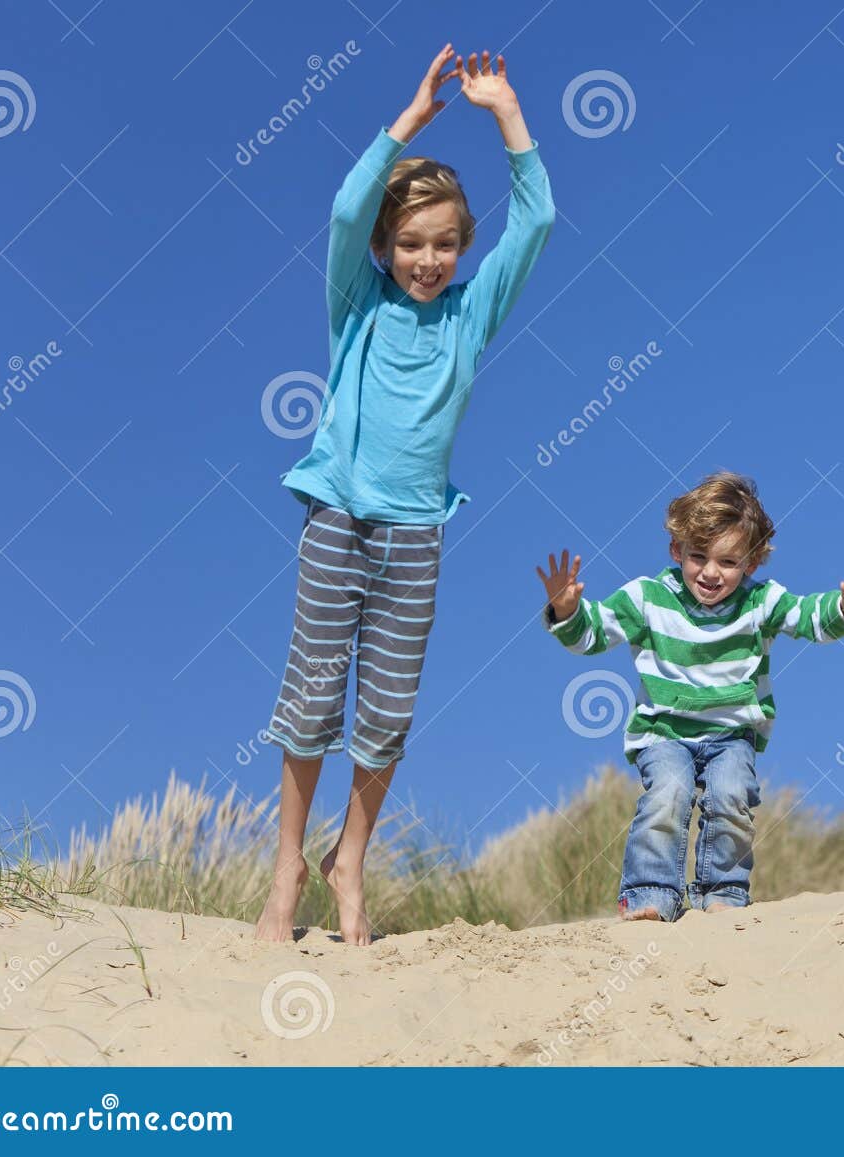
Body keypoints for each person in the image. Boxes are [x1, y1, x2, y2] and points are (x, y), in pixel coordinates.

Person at [255, 45, 554, 943]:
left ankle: (349, 861)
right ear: (386, 249)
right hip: (338, 513)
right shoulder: (359, 302)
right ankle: (287, 868)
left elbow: (536, 222)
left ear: (464, 247)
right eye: (412, 244)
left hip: (417, 532)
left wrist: (506, 117)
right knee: (312, 699)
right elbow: (348, 207)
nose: (429, 259)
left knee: (385, 714)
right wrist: (412, 122)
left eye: (446, 243)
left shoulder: (472, 313)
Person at [538, 471, 844, 920]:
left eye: (728, 562)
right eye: (697, 556)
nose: (710, 572)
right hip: (664, 731)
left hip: (732, 733)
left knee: (732, 796)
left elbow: (808, 618)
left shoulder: (760, 602)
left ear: (752, 562)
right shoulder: (648, 597)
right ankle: (649, 895)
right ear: (676, 550)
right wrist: (566, 610)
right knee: (668, 793)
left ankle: (723, 894)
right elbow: (594, 634)